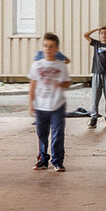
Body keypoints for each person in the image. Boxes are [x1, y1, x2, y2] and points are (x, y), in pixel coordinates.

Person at [29, 32, 71, 172]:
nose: (48, 49)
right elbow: (33, 85)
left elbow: (67, 83)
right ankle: (42, 159)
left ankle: (57, 161)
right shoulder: (37, 65)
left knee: (57, 133)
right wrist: (31, 104)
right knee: (42, 133)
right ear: (43, 48)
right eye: (46, 46)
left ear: (56, 49)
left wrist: (60, 85)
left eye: (51, 46)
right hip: (41, 105)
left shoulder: (61, 66)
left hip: (57, 105)